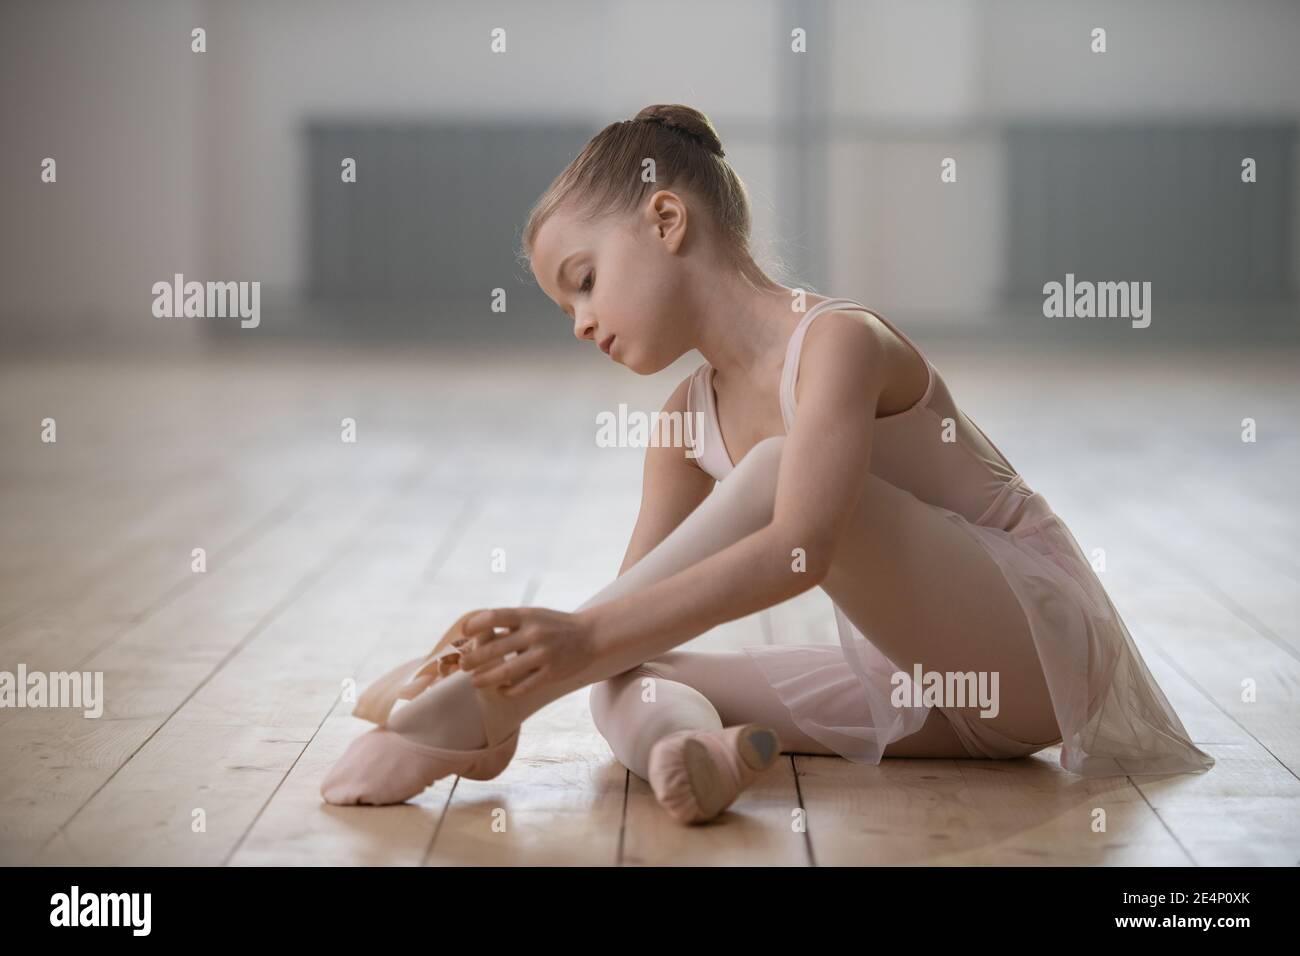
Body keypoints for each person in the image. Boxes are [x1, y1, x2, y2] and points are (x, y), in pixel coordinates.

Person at [320, 104, 1213, 824]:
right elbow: (629, 618)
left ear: (666, 218)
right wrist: (572, 653)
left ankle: (487, 705)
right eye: (565, 307)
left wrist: (550, 655)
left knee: (758, 486)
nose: (580, 323)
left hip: (1037, 655)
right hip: (926, 696)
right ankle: (695, 752)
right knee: (632, 672)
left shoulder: (837, 342)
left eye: (584, 280)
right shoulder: (682, 421)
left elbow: (804, 547)